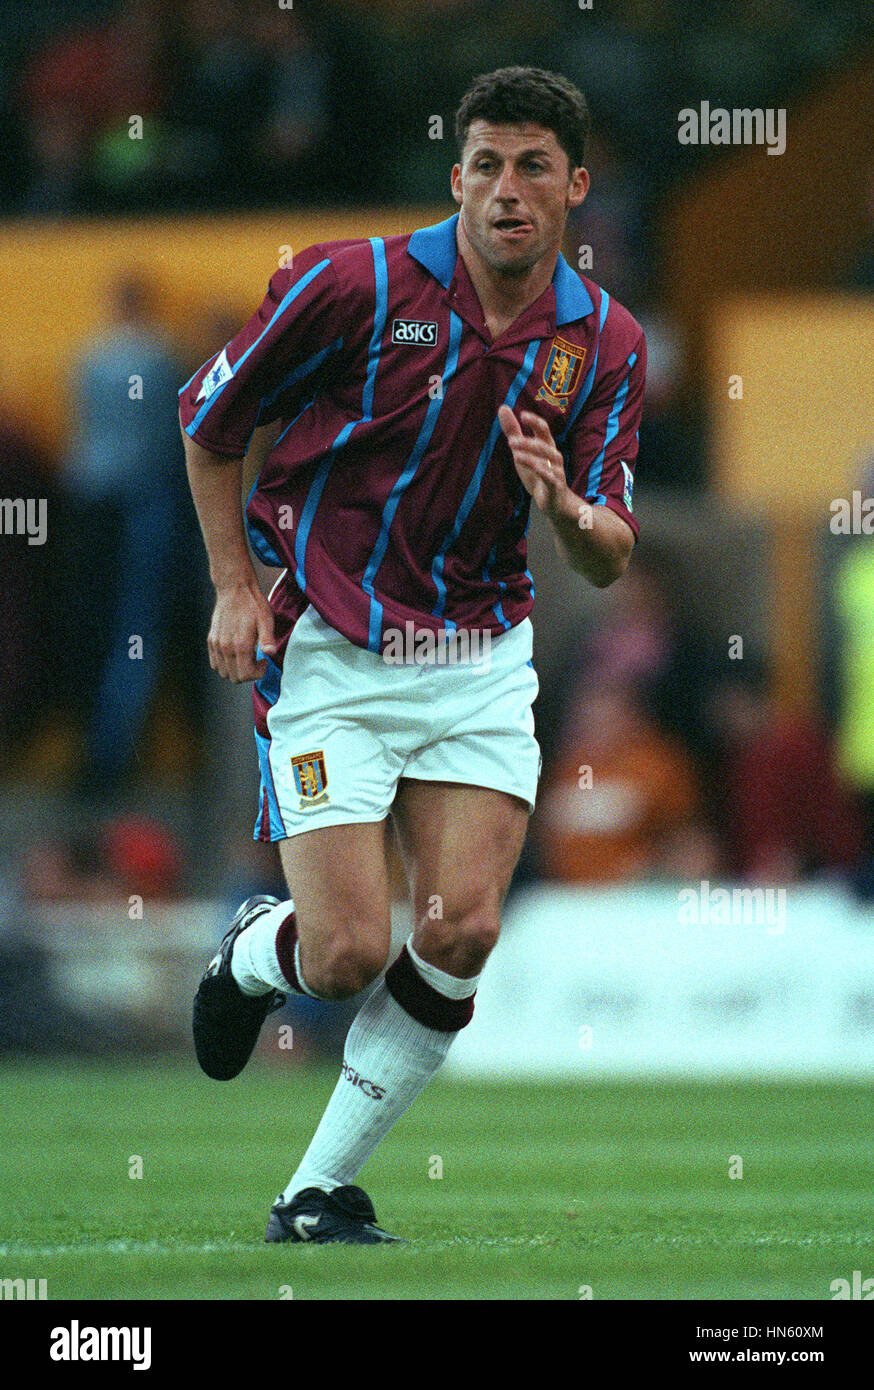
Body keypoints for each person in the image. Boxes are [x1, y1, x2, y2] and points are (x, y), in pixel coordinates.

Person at [179, 66, 646, 1245]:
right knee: (343, 955)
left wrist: (566, 509)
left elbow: (608, 550)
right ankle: (250, 956)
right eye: (485, 164)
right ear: (456, 179)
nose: (506, 189)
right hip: (331, 641)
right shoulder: (356, 283)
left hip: (477, 653)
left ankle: (315, 1191)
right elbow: (210, 418)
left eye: (533, 166)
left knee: (461, 929)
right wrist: (236, 585)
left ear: (574, 188)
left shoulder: (603, 343)